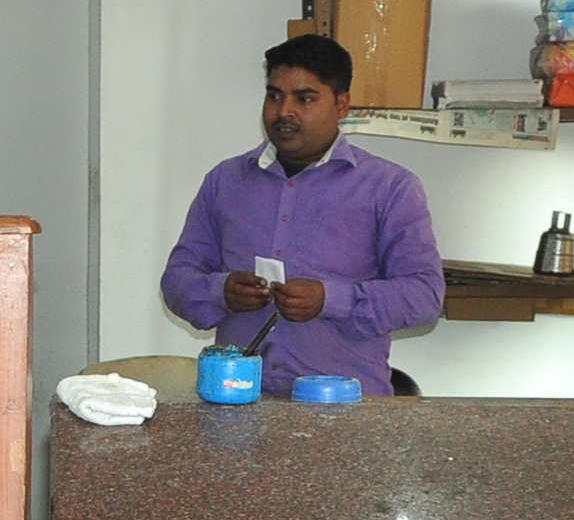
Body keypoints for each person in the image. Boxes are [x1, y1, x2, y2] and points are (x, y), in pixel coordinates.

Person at [161, 35, 443, 400]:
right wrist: (221, 292)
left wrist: (331, 299)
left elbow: (424, 296)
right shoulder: (225, 181)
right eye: (274, 95)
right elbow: (177, 280)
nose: (283, 112)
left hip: (344, 413)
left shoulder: (390, 188)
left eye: (305, 99)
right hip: (238, 405)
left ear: (342, 105)